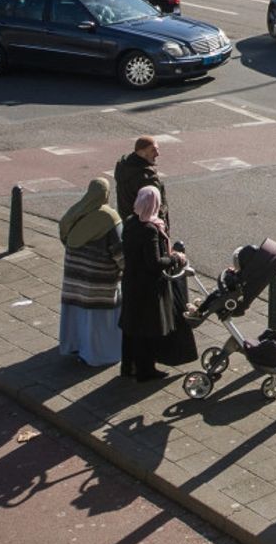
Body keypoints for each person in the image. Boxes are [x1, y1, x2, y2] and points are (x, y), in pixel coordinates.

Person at [120, 186, 184, 380]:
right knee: (147, 329)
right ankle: (145, 370)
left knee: (131, 328)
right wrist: (175, 259)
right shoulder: (149, 229)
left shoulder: (131, 222)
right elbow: (154, 263)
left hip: (130, 281)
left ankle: (128, 366)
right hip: (147, 287)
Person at [58, 176, 124, 366]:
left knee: (78, 314)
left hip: (74, 276)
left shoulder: (76, 212)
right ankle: (100, 354)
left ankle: (75, 345)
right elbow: (120, 253)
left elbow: (64, 234)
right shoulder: (110, 218)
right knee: (100, 321)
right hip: (100, 279)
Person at [115, 137, 169, 230]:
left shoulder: (123, 167)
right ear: (141, 152)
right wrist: (163, 229)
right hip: (146, 227)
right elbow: (156, 207)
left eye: (157, 149)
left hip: (127, 221)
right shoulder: (147, 178)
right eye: (153, 150)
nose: (157, 154)